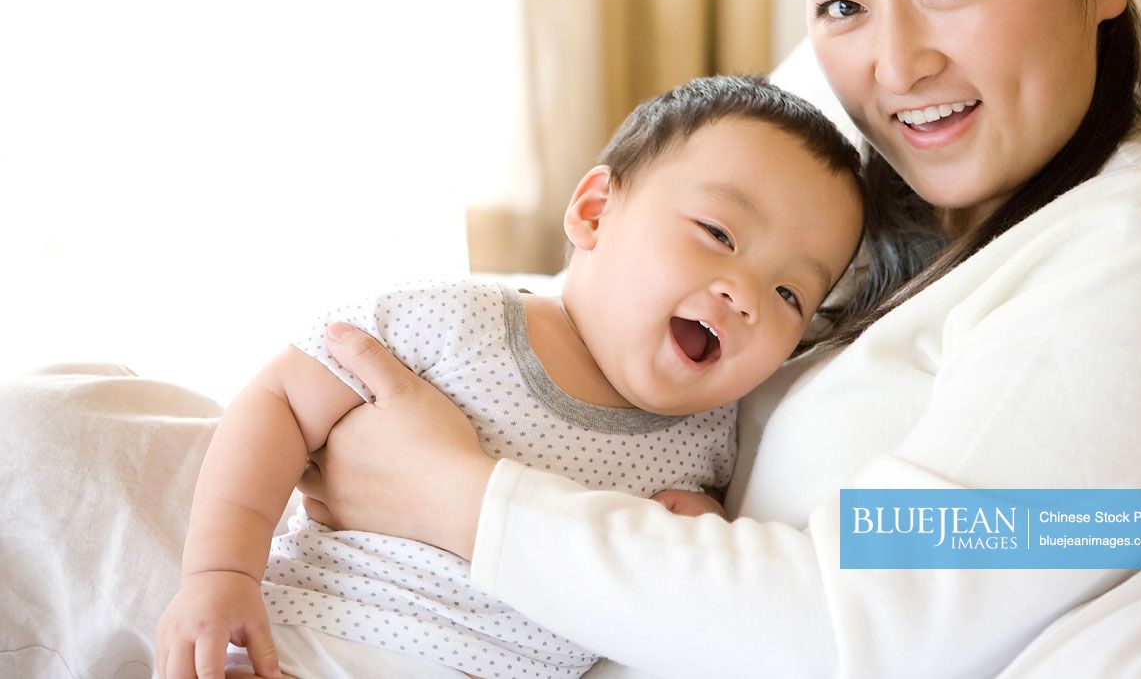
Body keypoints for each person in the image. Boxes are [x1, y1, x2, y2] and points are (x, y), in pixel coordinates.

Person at [1, 0, 1141, 677]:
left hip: (486, 589)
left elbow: (862, 613)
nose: (894, 63)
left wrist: (453, 495)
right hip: (417, 553)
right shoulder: (921, 167)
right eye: (839, 3)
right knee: (49, 430)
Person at [153, 75, 866, 679]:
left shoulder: (712, 443)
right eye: (717, 233)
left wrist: (697, 531)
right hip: (311, 645)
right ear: (595, 211)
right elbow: (277, 400)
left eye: (788, 295)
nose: (744, 293)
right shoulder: (456, 321)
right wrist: (222, 572)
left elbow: (674, 579)